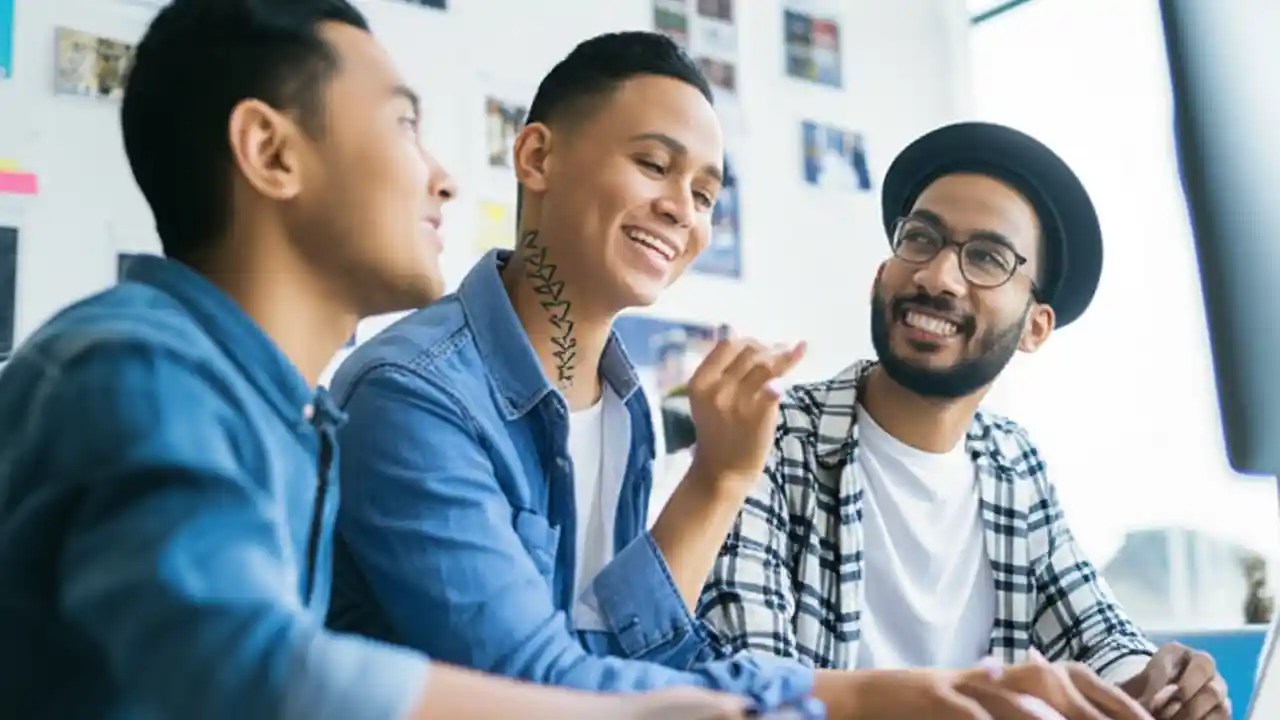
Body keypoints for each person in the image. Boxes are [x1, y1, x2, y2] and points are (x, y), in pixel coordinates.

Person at [328, 31, 1152, 720]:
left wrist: (717, 481)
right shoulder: (417, 393)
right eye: (655, 166)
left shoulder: (626, 405)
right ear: (536, 155)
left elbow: (629, 653)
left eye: (704, 192)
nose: (683, 210)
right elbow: (537, 687)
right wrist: (869, 699)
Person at [0, 2, 752, 719]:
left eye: (705, 194)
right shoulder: (138, 374)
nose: (446, 178)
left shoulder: (294, 421)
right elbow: (258, 672)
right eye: (403, 124)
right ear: (271, 152)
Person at [697, 121, 1232, 720]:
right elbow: (750, 685)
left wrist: (1162, 685)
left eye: (986, 258)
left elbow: (1100, 636)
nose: (936, 276)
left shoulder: (1014, 463)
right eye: (921, 239)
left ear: (1035, 327)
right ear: (883, 274)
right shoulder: (771, 437)